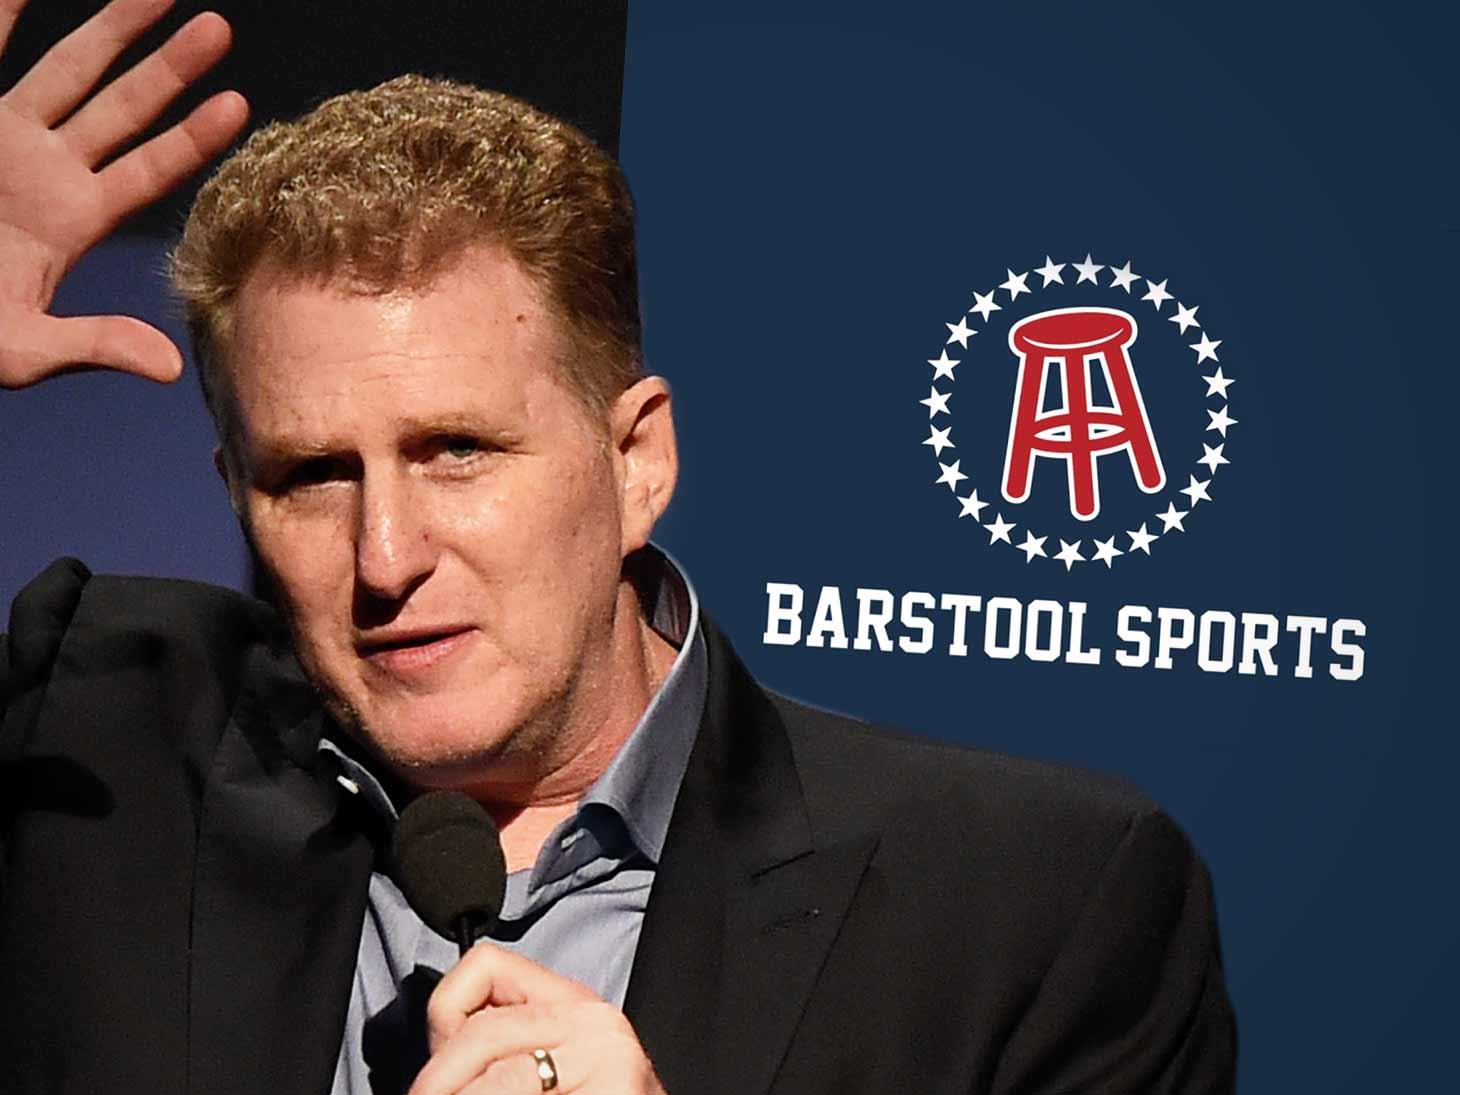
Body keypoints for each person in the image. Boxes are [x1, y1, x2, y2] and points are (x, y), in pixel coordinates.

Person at [0, 2, 1237, 1093]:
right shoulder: (93, 739)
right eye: (313, 476)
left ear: (636, 459)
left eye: (457, 451)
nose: (384, 557)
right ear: (234, 493)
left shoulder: (1032, 904)